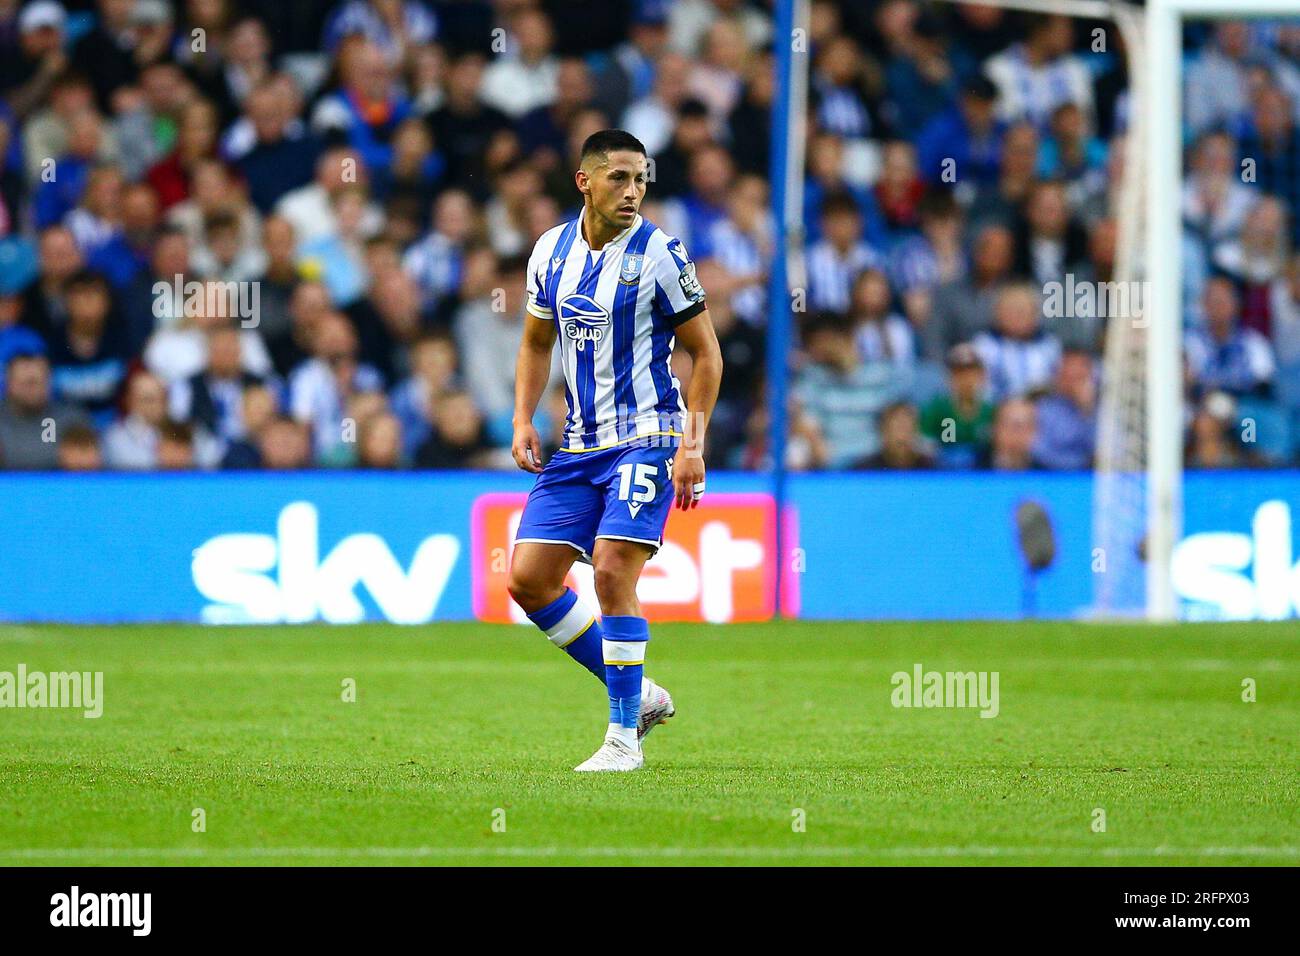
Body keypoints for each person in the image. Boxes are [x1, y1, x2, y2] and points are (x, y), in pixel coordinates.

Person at [506, 129, 722, 772]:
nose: (633, 192)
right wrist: (522, 417)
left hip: (650, 435)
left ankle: (622, 739)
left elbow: (706, 353)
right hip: (579, 443)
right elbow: (536, 344)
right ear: (585, 181)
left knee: (610, 571)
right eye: (619, 178)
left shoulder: (660, 253)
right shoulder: (549, 251)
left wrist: (693, 443)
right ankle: (641, 694)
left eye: (641, 180)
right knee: (528, 580)